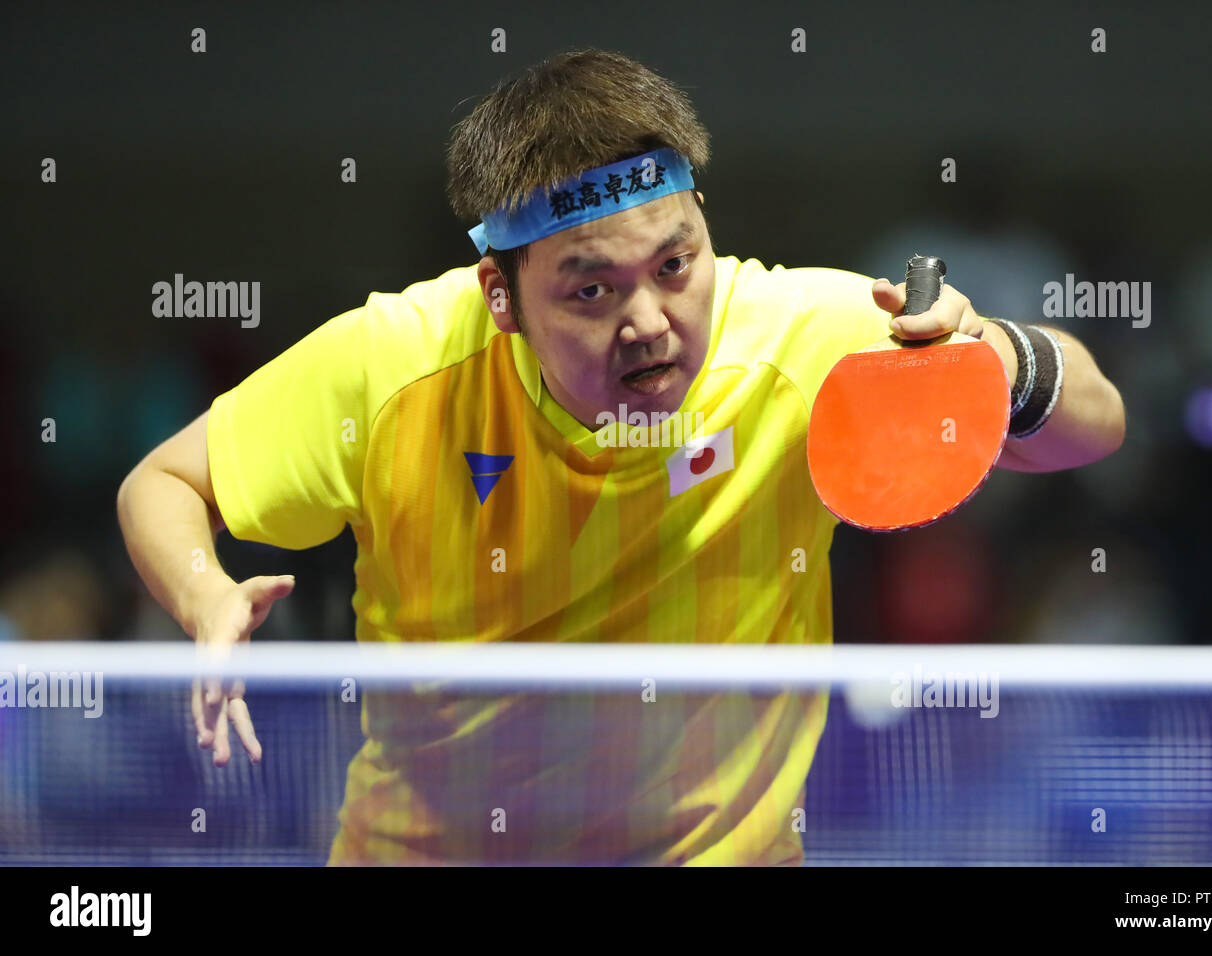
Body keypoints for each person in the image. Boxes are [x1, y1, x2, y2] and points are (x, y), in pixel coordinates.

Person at [116, 48, 1125, 865]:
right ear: (499, 295)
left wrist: (996, 355)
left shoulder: (805, 335)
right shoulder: (394, 368)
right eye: (590, 290)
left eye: (674, 263)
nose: (649, 320)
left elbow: (1094, 421)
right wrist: (205, 593)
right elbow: (164, 479)